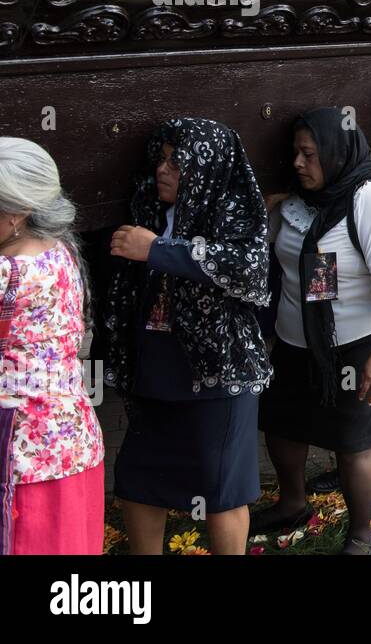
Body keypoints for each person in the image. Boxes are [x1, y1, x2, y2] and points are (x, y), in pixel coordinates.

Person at [102, 119, 270, 555]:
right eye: (161, 159)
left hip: (218, 375)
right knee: (139, 480)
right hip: (155, 371)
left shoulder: (233, 212)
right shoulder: (149, 211)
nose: (163, 169)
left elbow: (249, 273)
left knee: (221, 491)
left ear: (206, 167)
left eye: (177, 163)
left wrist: (158, 250)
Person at [256, 108, 371, 553]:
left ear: (337, 152)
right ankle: (293, 504)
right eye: (295, 154)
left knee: (352, 441)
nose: (299, 163)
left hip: (354, 346)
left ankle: (361, 534)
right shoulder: (296, 201)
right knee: (282, 426)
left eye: (309, 154)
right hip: (293, 340)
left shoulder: (370, 199)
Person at [0, 138, 103, 555]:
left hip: (18, 457)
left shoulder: (7, 273)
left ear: (17, 213)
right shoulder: (61, 252)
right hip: (71, 444)